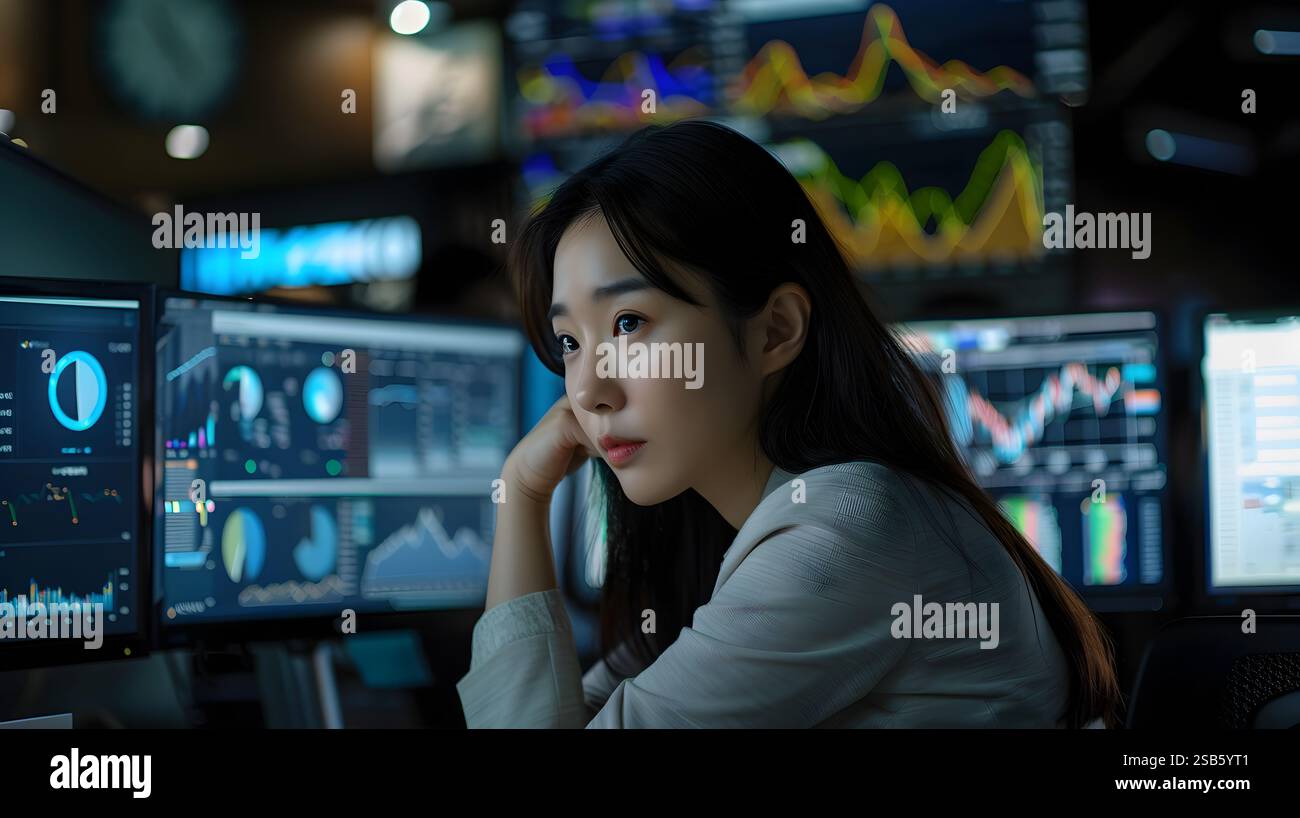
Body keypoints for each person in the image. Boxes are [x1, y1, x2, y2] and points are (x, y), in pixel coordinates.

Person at [455, 119, 1120, 728]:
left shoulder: (847, 530)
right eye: (570, 341)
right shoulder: (744, 533)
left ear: (776, 331)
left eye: (630, 324)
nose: (589, 390)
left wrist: (524, 493)